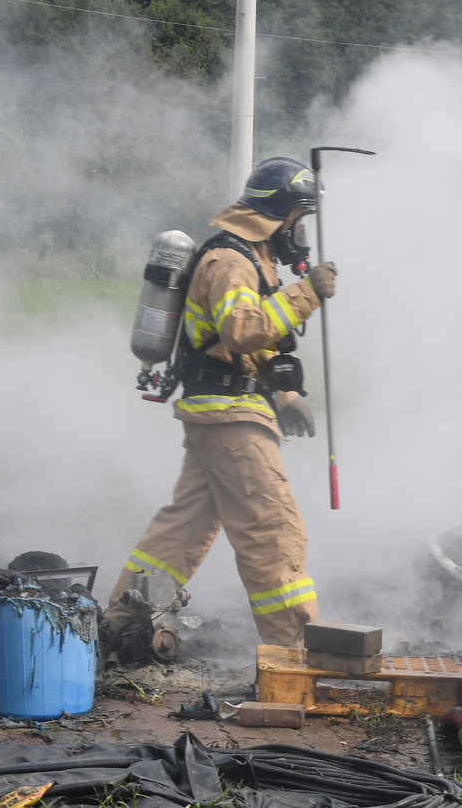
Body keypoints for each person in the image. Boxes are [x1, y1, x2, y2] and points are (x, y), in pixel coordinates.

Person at [107, 157, 336, 647]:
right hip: (231, 421)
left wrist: (285, 393)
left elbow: (244, 342)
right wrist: (308, 292)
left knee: (180, 534)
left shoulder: (250, 256)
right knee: (273, 532)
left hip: (224, 415)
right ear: (281, 215)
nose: (301, 232)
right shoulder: (232, 260)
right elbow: (242, 329)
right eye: (300, 219)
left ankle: (123, 625)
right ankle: (292, 655)